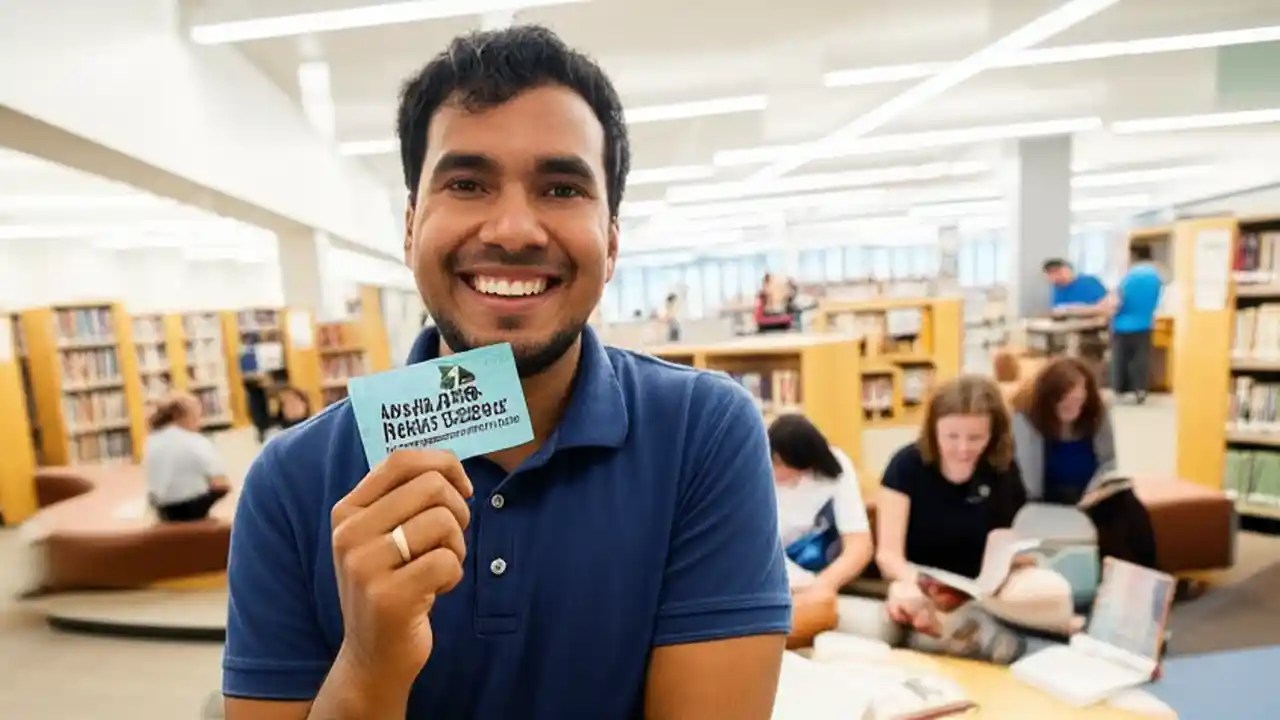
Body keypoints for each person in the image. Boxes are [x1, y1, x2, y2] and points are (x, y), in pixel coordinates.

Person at [223, 26, 789, 720]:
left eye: (560, 187)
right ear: (409, 229)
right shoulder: (292, 479)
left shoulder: (702, 432)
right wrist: (370, 665)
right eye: (466, 183)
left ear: (611, 243)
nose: (514, 229)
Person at [875, 376, 1028, 619]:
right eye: (952, 437)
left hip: (982, 590)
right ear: (933, 431)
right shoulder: (905, 466)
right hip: (919, 582)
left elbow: (1004, 542)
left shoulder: (1002, 468)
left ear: (993, 434)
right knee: (907, 598)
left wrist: (1015, 564)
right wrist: (922, 583)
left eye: (976, 438)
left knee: (1048, 589)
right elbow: (888, 555)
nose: (963, 449)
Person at [768, 414, 873, 595]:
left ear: (806, 466)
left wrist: (823, 585)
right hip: (767, 573)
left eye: (780, 462)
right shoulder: (753, 471)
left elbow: (859, 545)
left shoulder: (835, 467)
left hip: (814, 571)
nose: (773, 468)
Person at [1011, 357, 1117, 505]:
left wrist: (1094, 493)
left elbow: (1108, 462)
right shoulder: (1028, 417)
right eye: (1066, 405)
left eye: (1078, 402)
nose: (1074, 411)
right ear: (1049, 399)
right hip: (1045, 503)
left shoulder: (1096, 412)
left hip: (1091, 498)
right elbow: (1030, 483)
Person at [144, 393, 230, 522]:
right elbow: (221, 483)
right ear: (180, 417)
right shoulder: (195, 441)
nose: (200, 423)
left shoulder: (151, 441)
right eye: (197, 417)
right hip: (191, 508)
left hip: (162, 509)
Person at [1109, 245, 1163, 404]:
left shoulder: (1128, 278)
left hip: (1122, 325)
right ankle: (1140, 390)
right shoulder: (1156, 277)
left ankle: (1121, 390)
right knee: (1141, 358)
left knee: (1120, 358)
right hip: (1145, 324)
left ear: (1131, 256)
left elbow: (1116, 302)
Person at [1042, 258, 1108, 315]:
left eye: (1059, 272)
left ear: (1069, 270)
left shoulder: (1089, 282)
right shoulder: (1057, 288)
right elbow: (1057, 310)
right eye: (1051, 274)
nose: (1055, 277)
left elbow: (1106, 308)